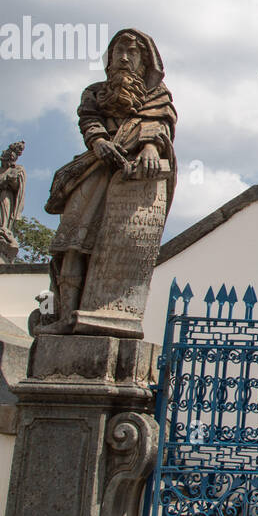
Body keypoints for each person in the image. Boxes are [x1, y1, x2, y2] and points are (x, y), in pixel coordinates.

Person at [39, 29, 176, 333]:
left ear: (146, 59)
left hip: (129, 178)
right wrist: (99, 140)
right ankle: (65, 317)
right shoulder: (96, 91)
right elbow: (88, 119)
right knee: (73, 243)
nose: (124, 58)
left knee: (118, 243)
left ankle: (108, 311)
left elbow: (160, 126)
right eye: (118, 52)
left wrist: (152, 147)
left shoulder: (157, 95)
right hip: (95, 171)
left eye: (132, 52)